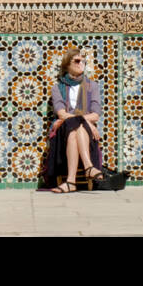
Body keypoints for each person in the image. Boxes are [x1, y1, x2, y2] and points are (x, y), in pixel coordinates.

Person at [41, 46, 105, 193]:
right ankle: (89, 167)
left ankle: (70, 182)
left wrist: (82, 121)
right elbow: (62, 114)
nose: (80, 63)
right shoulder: (58, 88)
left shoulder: (92, 86)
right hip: (63, 132)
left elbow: (96, 114)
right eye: (76, 60)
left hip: (84, 132)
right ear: (67, 65)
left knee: (76, 128)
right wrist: (85, 120)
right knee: (74, 125)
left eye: (83, 61)